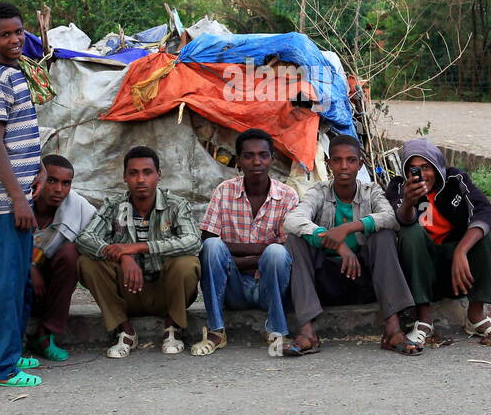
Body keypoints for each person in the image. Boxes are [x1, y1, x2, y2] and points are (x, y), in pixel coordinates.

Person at [283, 134, 419, 357]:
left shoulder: (371, 191)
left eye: (351, 160)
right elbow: (292, 220)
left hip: (363, 281)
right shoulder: (319, 192)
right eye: (337, 160)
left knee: (383, 235)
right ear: (329, 165)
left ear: (360, 164)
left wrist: (349, 228)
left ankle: (393, 330)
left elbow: (391, 218)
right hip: (326, 283)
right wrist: (337, 244)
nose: (344, 166)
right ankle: (307, 332)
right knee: (296, 239)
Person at [77, 147, 202, 358]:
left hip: (167, 293)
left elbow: (193, 241)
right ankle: (124, 331)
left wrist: (141, 247)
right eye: (133, 173)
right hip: (129, 292)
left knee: (187, 263)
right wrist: (123, 256)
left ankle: (173, 328)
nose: (141, 179)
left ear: (158, 175)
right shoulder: (114, 206)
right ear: (125, 177)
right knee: (86, 262)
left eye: (147, 172)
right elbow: (85, 238)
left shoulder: (176, 205)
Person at [0, 2, 44, 387]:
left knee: (16, 279)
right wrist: (18, 198)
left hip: (19, 195)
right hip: (7, 202)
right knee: (4, 283)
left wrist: (40, 168)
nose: (15, 39)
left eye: (19, 31)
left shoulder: (15, 73)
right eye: (5, 34)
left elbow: (20, 138)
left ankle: (9, 353)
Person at [385, 138, 491, 344]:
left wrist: (461, 251)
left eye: (426, 167)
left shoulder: (455, 180)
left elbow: (485, 211)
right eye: (413, 169)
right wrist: (408, 202)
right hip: (423, 270)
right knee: (410, 232)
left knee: (488, 235)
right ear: (406, 172)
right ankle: (423, 318)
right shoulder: (399, 187)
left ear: (437, 166)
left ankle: (476, 316)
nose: (421, 174)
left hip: (458, 270)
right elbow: (399, 221)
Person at [193, 128, 299, 357]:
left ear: (272, 158)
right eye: (249, 156)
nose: (256, 161)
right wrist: (257, 254)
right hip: (233, 285)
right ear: (239, 160)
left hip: (268, 286)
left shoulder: (287, 196)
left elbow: (287, 248)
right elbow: (209, 239)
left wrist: (255, 255)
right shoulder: (224, 191)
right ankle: (216, 331)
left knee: (277, 254)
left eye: (263, 155)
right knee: (212, 248)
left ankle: (277, 330)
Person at [26, 154, 95, 361]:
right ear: (38, 178)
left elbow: (98, 238)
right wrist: (30, 267)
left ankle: (46, 334)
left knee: (71, 253)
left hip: (49, 289)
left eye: (66, 183)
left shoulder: (79, 208)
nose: (59, 189)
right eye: (52, 180)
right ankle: (8, 338)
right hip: (16, 279)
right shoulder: (20, 201)